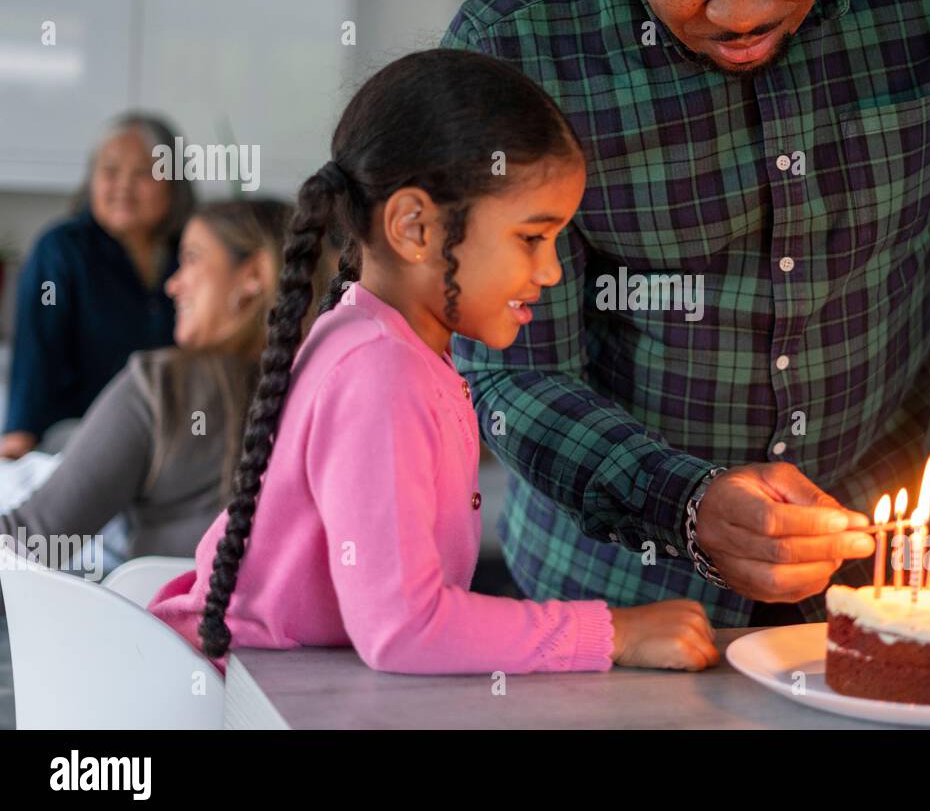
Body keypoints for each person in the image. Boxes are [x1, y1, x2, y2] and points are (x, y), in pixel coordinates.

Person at [439, 0, 930, 628]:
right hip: (620, 602)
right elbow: (512, 375)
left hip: (880, 581)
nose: (741, 12)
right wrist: (684, 503)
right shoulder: (518, 46)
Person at [149, 50, 730, 675]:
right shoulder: (381, 373)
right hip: (235, 703)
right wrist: (611, 631)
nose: (552, 270)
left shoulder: (374, 337)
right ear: (415, 228)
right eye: (531, 237)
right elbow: (404, 629)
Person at [0, 199, 319, 565]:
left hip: (157, 621)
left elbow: (30, 541)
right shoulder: (329, 385)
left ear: (254, 275)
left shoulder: (164, 388)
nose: (173, 285)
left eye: (192, 259)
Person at [2, 113, 195, 459]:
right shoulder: (61, 249)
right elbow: (37, 346)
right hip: (80, 433)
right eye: (110, 171)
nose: (123, 185)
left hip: (172, 436)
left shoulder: (193, 252)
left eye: (143, 173)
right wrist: (19, 435)